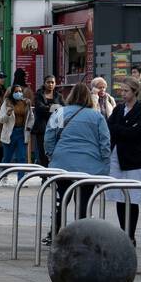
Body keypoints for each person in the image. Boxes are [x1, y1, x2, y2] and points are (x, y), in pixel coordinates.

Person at [43, 82, 111, 244]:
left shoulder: (60, 113)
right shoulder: (97, 116)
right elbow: (105, 142)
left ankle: (54, 232)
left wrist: (52, 155)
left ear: (71, 96)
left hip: (62, 164)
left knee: (62, 199)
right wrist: (104, 161)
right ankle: (81, 236)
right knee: (84, 201)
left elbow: (49, 137)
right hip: (89, 166)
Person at [105, 79, 141, 245]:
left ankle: (130, 234)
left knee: (132, 197)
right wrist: (123, 129)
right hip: (117, 156)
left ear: (135, 92)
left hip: (134, 159)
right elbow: (110, 127)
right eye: (122, 91)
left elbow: (137, 131)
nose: (123, 94)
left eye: (126, 91)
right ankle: (123, 232)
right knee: (119, 196)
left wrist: (120, 129)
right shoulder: (118, 109)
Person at [0, 71, 33, 163]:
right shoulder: (7, 102)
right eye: (16, 92)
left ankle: (21, 177)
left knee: (21, 157)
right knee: (7, 158)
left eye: (20, 92)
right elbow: (0, 119)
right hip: (10, 132)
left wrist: (29, 127)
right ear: (12, 92)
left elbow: (31, 117)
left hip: (21, 132)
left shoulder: (26, 103)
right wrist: (7, 114)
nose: (19, 93)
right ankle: (4, 175)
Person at [30, 74, 61, 166]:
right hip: (42, 128)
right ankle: (44, 176)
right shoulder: (39, 94)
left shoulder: (58, 95)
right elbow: (40, 108)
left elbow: (63, 107)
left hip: (55, 127)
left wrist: (51, 108)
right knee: (42, 152)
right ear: (44, 83)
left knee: (55, 151)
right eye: (48, 82)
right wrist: (53, 108)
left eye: (52, 82)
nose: (50, 84)